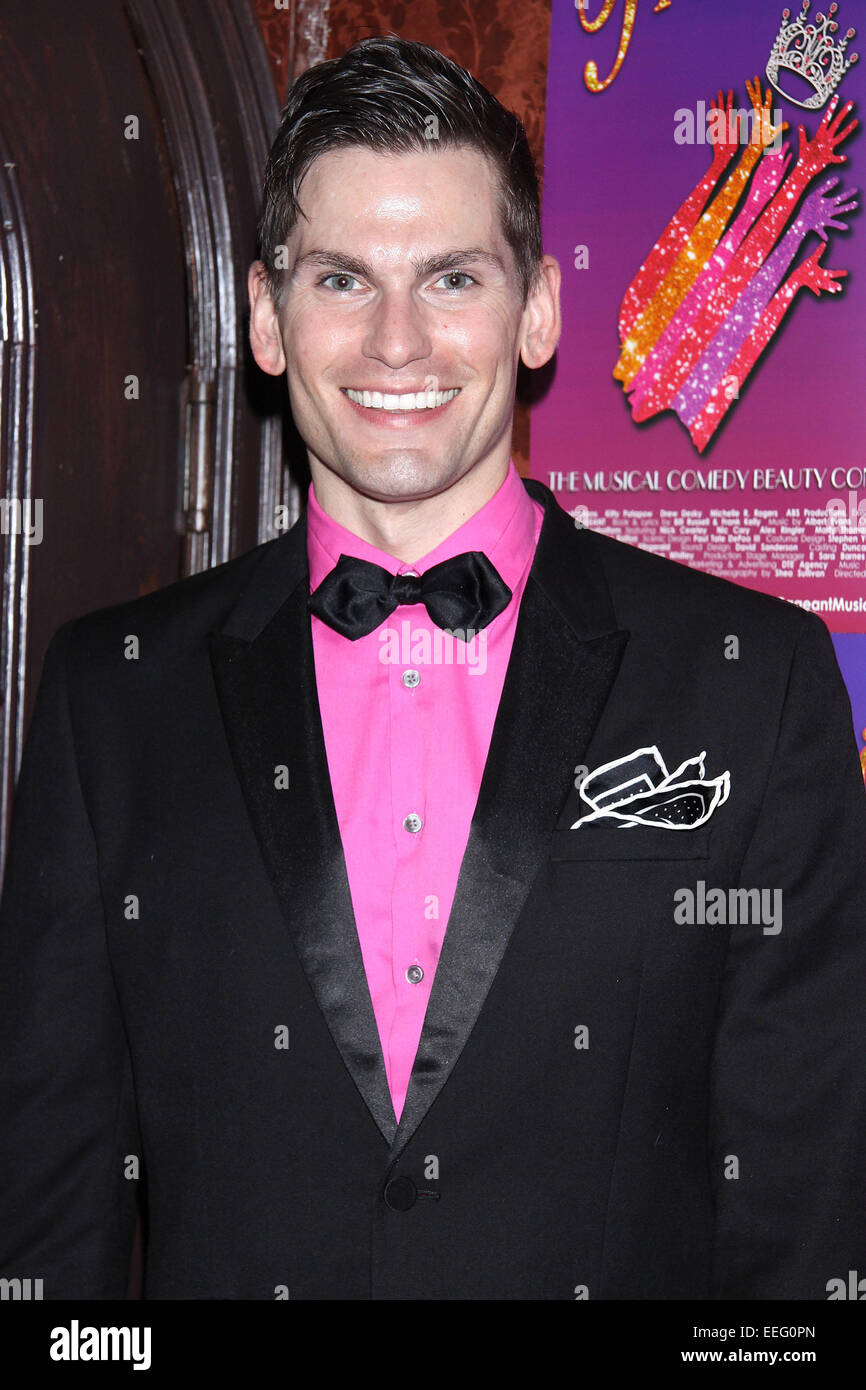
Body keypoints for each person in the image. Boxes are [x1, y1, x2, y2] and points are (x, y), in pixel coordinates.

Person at [0, 34, 864, 1302]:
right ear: (265, 318)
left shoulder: (753, 684)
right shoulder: (108, 697)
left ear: (536, 312)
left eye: (451, 276)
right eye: (342, 278)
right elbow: (51, 1219)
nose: (396, 341)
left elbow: (806, 1215)